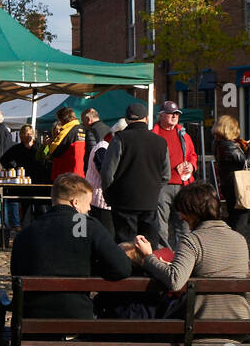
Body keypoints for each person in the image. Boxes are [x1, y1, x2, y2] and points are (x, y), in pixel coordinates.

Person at [9, 173, 132, 319]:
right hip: (76, 320)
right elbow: (122, 269)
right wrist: (92, 268)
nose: (89, 209)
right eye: (88, 204)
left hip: (33, 323)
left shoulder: (26, 232)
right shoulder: (87, 225)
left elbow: (16, 273)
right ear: (75, 203)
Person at [134, 183, 250, 321]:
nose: (181, 217)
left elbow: (175, 281)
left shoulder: (192, 240)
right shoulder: (240, 239)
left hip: (202, 321)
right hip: (240, 320)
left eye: (183, 211)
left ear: (193, 212)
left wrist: (148, 256)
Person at [101, 103, 170, 245]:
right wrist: (153, 188)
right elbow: (166, 175)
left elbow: (107, 173)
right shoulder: (161, 142)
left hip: (123, 202)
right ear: (146, 118)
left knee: (126, 247)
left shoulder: (120, 139)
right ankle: (148, 268)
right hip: (150, 202)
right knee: (149, 247)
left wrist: (109, 193)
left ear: (126, 120)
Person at [152, 99, 199, 250]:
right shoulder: (154, 135)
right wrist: (173, 167)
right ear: (161, 115)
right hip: (162, 186)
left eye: (176, 114)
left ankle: (183, 256)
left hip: (183, 185)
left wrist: (191, 166)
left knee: (184, 225)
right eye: (170, 113)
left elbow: (192, 154)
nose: (174, 116)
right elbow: (151, 160)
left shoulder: (183, 134)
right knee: (161, 226)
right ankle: (163, 256)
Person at [212, 114, 250, 233]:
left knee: (234, 215)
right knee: (240, 218)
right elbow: (245, 163)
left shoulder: (219, 143)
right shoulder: (228, 145)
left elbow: (236, 160)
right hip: (236, 185)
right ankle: (237, 242)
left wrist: (245, 147)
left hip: (228, 183)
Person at [83, 118, 124, 238]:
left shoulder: (111, 148)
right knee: (105, 238)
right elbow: (106, 174)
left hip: (108, 202)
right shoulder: (103, 148)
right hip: (101, 202)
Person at [43, 106, 85, 179]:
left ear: (63, 119)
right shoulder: (83, 128)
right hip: (81, 172)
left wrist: (50, 144)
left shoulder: (66, 130)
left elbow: (54, 151)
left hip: (67, 174)